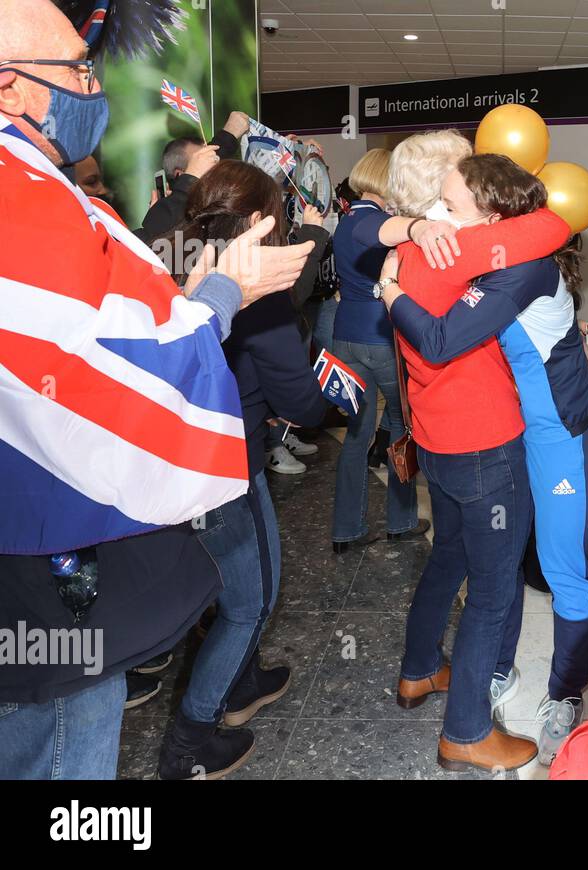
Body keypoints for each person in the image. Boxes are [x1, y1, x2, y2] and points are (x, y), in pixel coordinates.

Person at [0, 0, 311, 779]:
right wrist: (223, 295)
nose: (93, 83)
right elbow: (118, 367)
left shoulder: (57, 191)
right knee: (65, 753)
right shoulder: (21, 197)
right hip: (41, 567)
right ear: (10, 87)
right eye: (75, 66)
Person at [376, 153, 588, 766]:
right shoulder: (481, 251)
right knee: (498, 564)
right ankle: (492, 674)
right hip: (501, 436)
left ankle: (565, 693)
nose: (441, 218)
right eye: (439, 206)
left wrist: (391, 285)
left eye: (452, 207)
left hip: (558, 432)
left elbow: (443, 338)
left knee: (560, 568)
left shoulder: (519, 265)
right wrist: (411, 228)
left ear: (496, 214)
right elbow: (381, 229)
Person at [154, 160, 329, 780]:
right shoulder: (257, 296)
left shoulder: (171, 262)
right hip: (229, 467)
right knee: (251, 602)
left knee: (228, 590)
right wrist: (335, 401)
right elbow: (298, 400)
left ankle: (241, 681)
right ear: (259, 222)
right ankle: (191, 741)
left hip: (173, 464)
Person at [326, 148, 429, 546]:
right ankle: (400, 522)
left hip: (345, 334)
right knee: (404, 429)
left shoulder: (343, 222)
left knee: (356, 434)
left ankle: (346, 530)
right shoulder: (386, 224)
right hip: (383, 336)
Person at [138, 110, 248, 241]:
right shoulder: (165, 222)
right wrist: (228, 135)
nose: (211, 164)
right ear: (180, 174)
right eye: (200, 160)